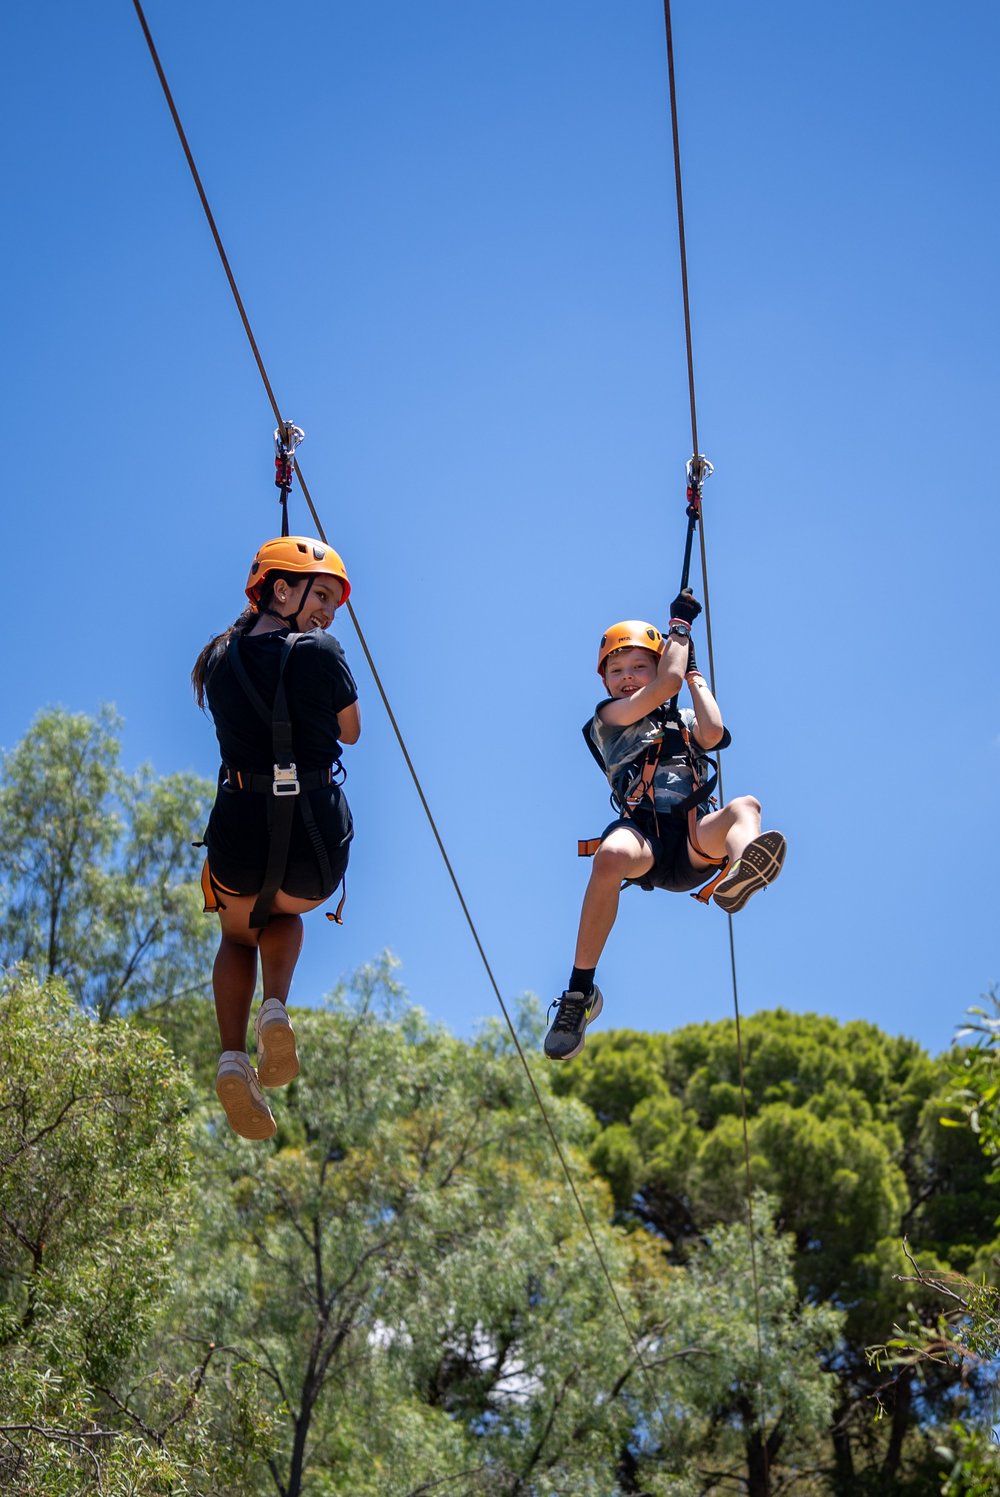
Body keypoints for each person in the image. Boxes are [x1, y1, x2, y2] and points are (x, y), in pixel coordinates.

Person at [544, 588, 786, 1062]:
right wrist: (679, 630)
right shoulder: (609, 719)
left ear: (655, 667)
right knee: (611, 856)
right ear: (604, 682)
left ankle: (741, 871)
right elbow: (665, 685)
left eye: (638, 668)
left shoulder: (681, 712)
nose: (627, 678)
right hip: (647, 841)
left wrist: (693, 670)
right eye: (616, 671)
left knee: (746, 806)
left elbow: (713, 732)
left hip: (696, 841)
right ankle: (578, 994)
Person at [191, 535, 360, 1139]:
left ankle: (233, 1056)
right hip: (314, 841)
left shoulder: (216, 661)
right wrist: (317, 650)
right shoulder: (322, 652)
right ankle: (276, 1007)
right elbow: (353, 731)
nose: (328, 612)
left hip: (239, 833)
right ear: (280, 589)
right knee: (289, 910)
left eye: (334, 603)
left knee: (238, 935)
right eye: (320, 595)